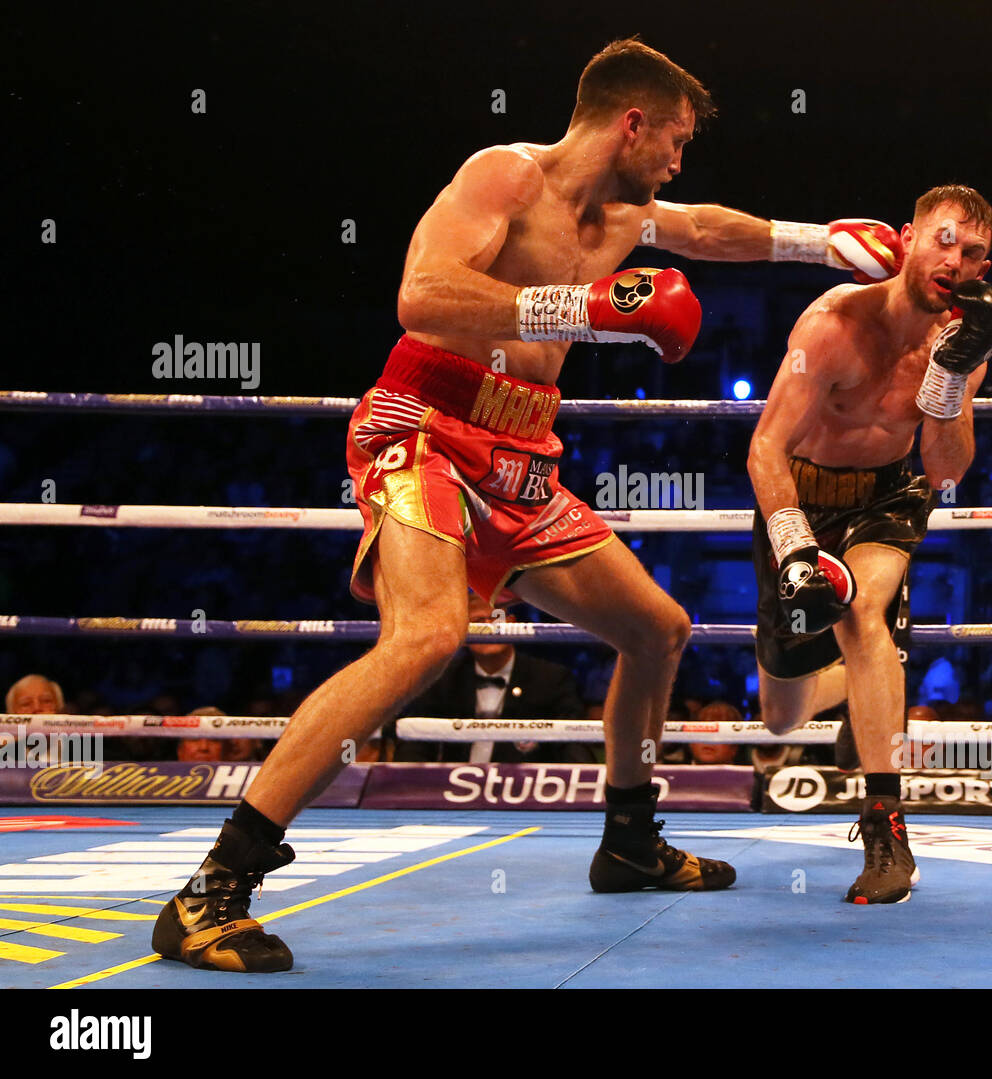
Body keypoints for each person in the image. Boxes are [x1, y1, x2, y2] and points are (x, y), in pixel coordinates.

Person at [153, 37, 902, 973]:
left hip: (522, 457)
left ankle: (630, 841)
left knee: (657, 629)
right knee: (428, 635)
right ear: (631, 123)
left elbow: (709, 229)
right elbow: (420, 296)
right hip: (425, 423)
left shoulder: (627, 215)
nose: (676, 162)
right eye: (672, 141)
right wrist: (584, 310)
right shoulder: (503, 174)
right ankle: (213, 888)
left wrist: (817, 239)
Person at [749, 185, 992, 903]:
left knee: (865, 617)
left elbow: (946, 470)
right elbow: (764, 448)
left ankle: (886, 826)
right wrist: (795, 547)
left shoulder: (963, 341)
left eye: (974, 253)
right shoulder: (832, 322)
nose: (955, 259)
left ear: (985, 270)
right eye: (944, 239)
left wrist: (950, 374)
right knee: (780, 714)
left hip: (890, 493)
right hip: (799, 493)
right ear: (908, 238)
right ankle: (868, 689)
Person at [397, 593, 589, 763]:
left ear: (512, 624)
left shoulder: (549, 679)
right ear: (462, 631)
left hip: (523, 789)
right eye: (478, 622)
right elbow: (416, 742)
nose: (489, 628)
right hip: (457, 788)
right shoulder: (444, 679)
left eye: (496, 620)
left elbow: (571, 743)